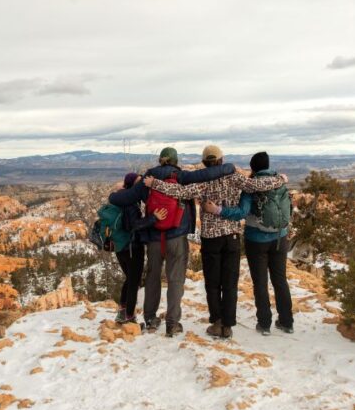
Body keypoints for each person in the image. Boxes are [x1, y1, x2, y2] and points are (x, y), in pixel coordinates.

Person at [144, 145, 287, 339]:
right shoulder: (234, 178)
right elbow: (256, 186)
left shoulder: (203, 182)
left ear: (205, 162)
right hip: (232, 237)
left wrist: (154, 184)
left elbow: (178, 191)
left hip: (211, 238)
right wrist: (280, 179)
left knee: (213, 284)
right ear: (221, 160)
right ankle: (227, 326)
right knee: (230, 283)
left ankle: (217, 323)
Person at [108, 147, 236, 337]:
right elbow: (206, 173)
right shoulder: (181, 176)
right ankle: (172, 323)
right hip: (176, 236)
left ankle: (150, 319)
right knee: (175, 280)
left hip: (153, 237)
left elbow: (121, 199)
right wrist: (228, 167)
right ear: (176, 161)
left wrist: (113, 194)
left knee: (152, 278)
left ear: (160, 160)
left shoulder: (148, 180)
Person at [202, 152, 294, 336]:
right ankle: (286, 322)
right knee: (280, 280)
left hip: (256, 240)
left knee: (260, 282)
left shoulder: (250, 187)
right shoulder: (279, 181)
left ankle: (265, 324)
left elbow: (241, 212)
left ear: (253, 168)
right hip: (280, 237)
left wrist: (218, 210)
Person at [109, 172, 167, 324]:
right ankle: (129, 317)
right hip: (132, 247)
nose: (142, 185)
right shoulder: (130, 203)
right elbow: (134, 225)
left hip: (121, 247)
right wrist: (153, 218)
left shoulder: (122, 200)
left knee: (129, 279)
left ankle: (122, 312)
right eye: (139, 183)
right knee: (134, 282)